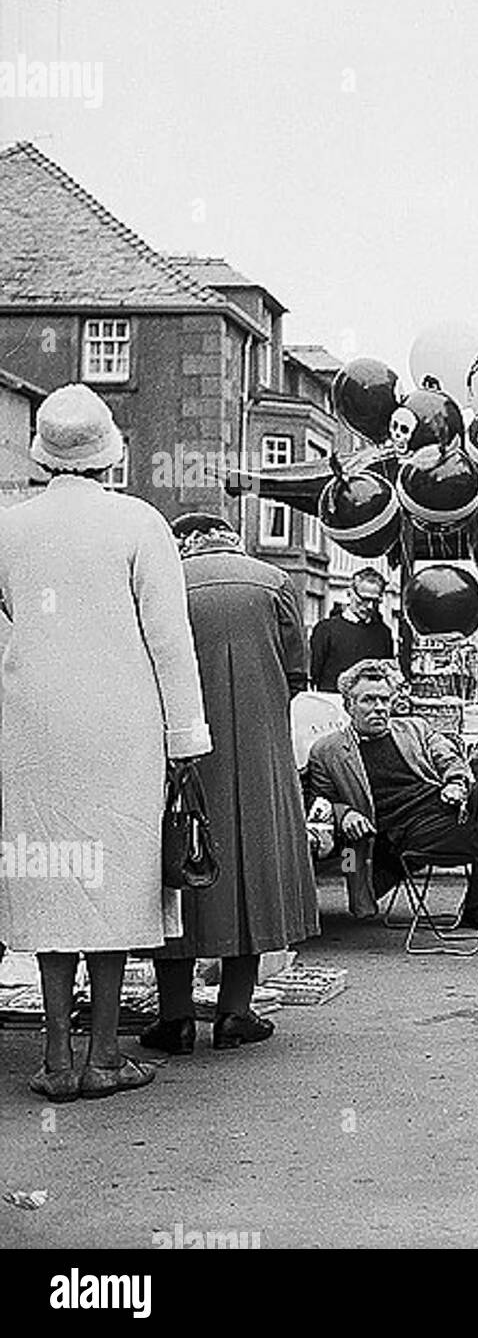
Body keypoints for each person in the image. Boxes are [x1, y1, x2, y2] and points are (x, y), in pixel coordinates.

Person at [0, 386, 211, 1101]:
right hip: (121, 729)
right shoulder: (138, 522)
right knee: (114, 885)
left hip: (32, 733)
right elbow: (169, 640)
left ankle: (56, 1057)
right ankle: (103, 1056)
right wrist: (186, 737)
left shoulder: (10, 528)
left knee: (53, 879)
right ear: (110, 451)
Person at [137, 514, 320, 1055]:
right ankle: (236, 1011)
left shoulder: (165, 580)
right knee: (253, 873)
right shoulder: (274, 582)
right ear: (230, 539)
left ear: (186, 543)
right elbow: (296, 674)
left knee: (175, 867)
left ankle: (174, 1018)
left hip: (177, 751)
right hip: (260, 752)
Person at [307, 661, 478, 963]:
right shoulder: (328, 750)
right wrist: (344, 814)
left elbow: (450, 758)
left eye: (384, 699)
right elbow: (318, 804)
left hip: (443, 812)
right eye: (368, 700)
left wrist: (455, 782)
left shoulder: (415, 728)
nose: (379, 708)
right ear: (349, 705)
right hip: (404, 835)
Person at [309, 568, 394, 692]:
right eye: (364, 599)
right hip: (333, 704)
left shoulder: (383, 633)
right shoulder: (325, 630)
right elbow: (314, 675)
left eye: (375, 601)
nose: (369, 606)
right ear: (350, 594)